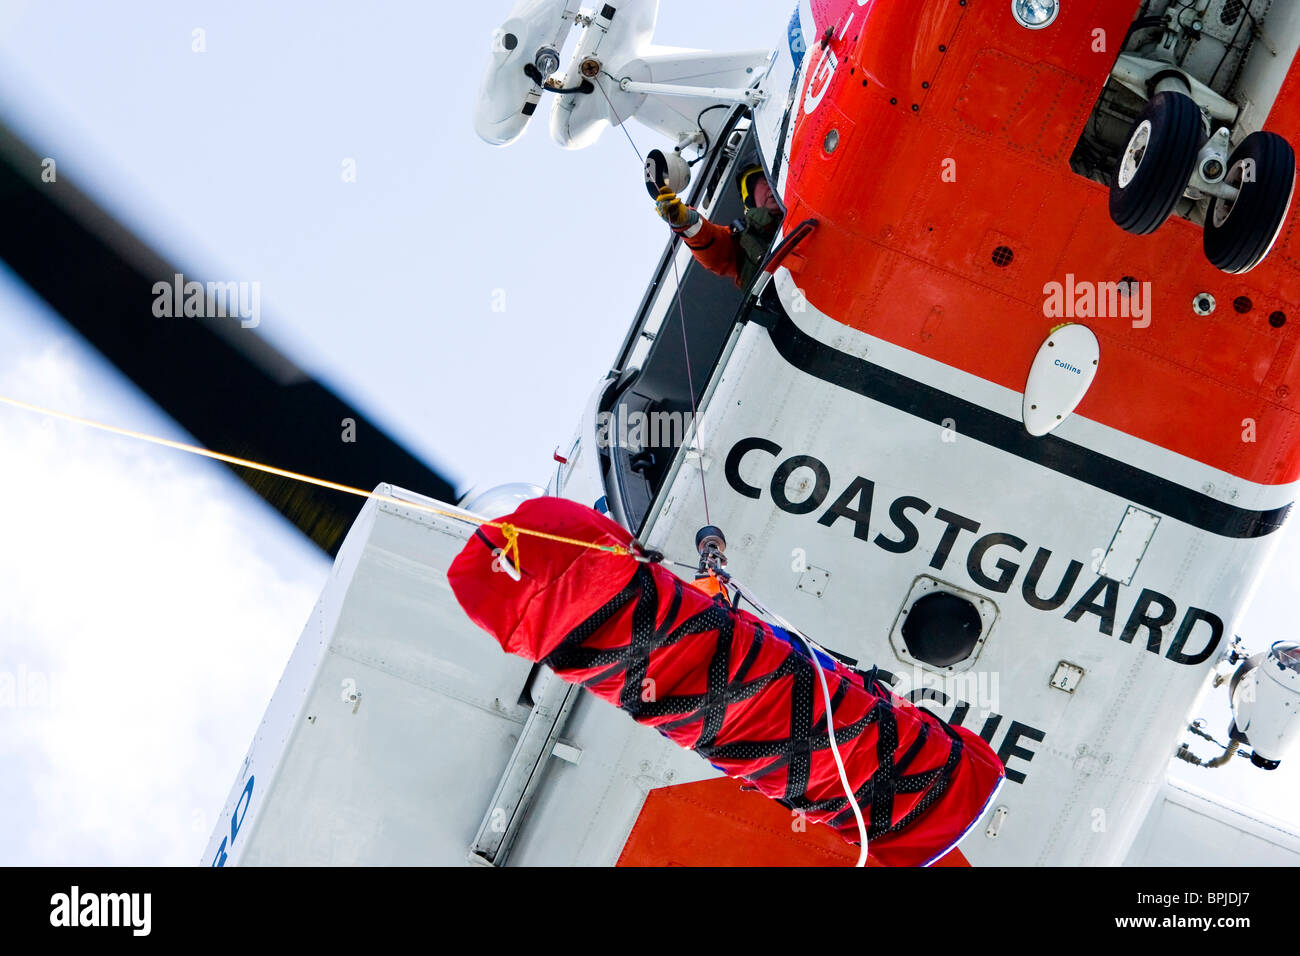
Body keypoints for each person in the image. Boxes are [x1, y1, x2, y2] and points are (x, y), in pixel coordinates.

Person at [654, 164, 783, 289]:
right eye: (763, 181)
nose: (771, 185)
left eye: (775, 178)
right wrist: (687, 222)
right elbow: (715, 248)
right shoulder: (742, 239)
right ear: (750, 198)